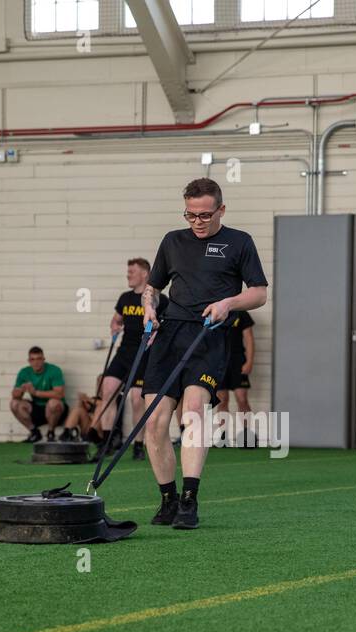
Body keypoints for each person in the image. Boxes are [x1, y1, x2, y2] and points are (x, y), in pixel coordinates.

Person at [140, 177, 268, 530]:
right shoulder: (172, 241)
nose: (197, 222)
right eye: (190, 215)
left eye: (205, 215)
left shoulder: (239, 242)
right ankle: (167, 497)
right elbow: (152, 287)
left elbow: (259, 293)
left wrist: (228, 303)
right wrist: (149, 307)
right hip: (169, 334)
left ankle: (189, 499)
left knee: (193, 413)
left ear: (221, 210)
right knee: (154, 420)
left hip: (209, 335)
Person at [98, 259, 168, 461]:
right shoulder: (125, 298)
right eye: (128, 272)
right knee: (107, 389)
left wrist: (158, 332)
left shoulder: (159, 300)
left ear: (145, 274)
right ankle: (106, 442)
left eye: (132, 272)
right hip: (124, 352)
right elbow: (117, 319)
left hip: (145, 353)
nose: (128, 275)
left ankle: (138, 444)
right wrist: (114, 325)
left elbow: (168, 325)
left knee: (137, 399)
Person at [215, 310, 256, 447]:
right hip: (219, 361)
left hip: (238, 361)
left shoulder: (241, 314)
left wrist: (249, 361)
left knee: (242, 399)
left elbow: (249, 339)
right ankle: (223, 437)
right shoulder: (215, 312)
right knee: (222, 400)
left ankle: (247, 435)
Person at [11, 346, 67, 442]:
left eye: (39, 359)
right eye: (32, 359)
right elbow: (15, 396)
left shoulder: (54, 370)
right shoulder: (24, 372)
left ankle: (51, 433)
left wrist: (36, 392)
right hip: (37, 408)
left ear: (43, 360)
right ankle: (34, 432)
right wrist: (21, 390)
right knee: (14, 404)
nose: (36, 362)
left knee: (54, 403)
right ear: (29, 361)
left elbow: (60, 394)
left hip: (56, 410)